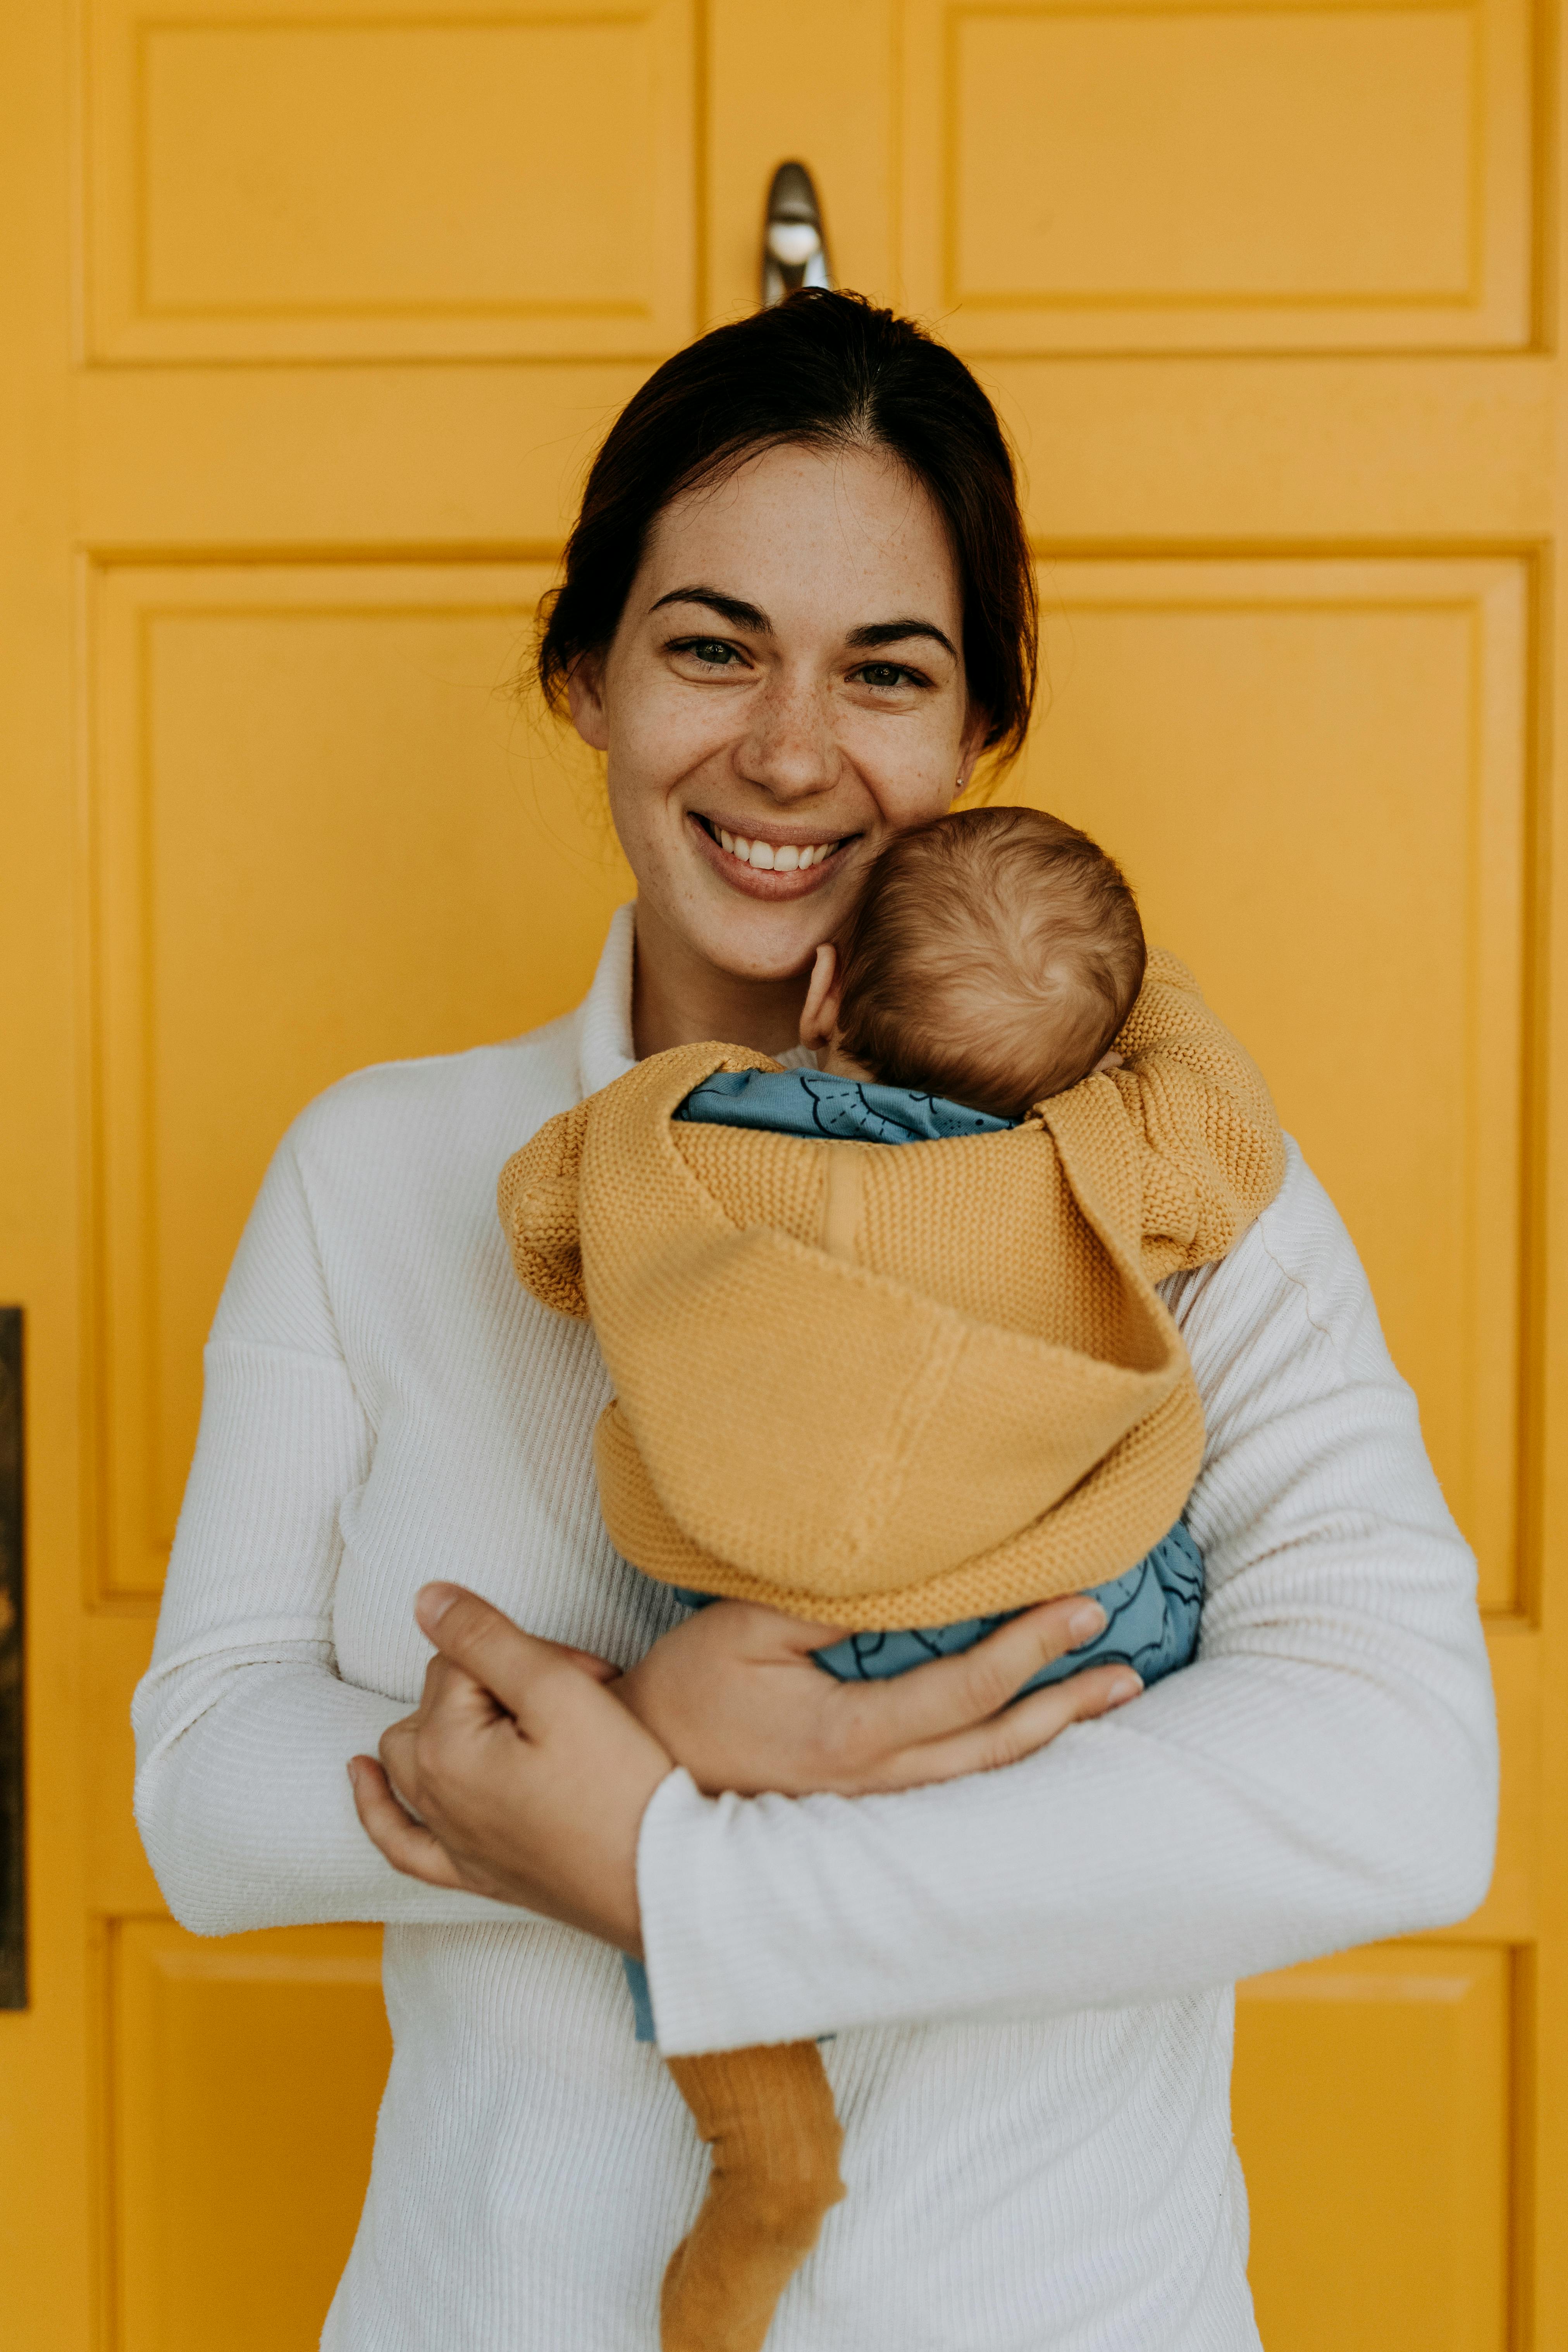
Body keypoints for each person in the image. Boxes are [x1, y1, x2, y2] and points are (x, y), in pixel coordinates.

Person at [132, 291, 1497, 2352]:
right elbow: (211, 1788)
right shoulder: (389, 1168)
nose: (786, 749)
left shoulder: (1172, 1184)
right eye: (710, 645)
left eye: (888, 671)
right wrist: (655, 1734)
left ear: (978, 738)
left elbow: (1397, 1778)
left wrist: (683, 1860)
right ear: (584, 674)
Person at [499, 800, 1284, 2352]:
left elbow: (539, 1232)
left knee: (679, 1839)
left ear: (820, 996)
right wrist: (1146, 998)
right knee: (1141, 1623)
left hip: (786, 1654)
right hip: (1070, 1625)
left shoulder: (681, 1132)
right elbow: (1230, 1143)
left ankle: (766, 2156)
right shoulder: (1095, 1162)